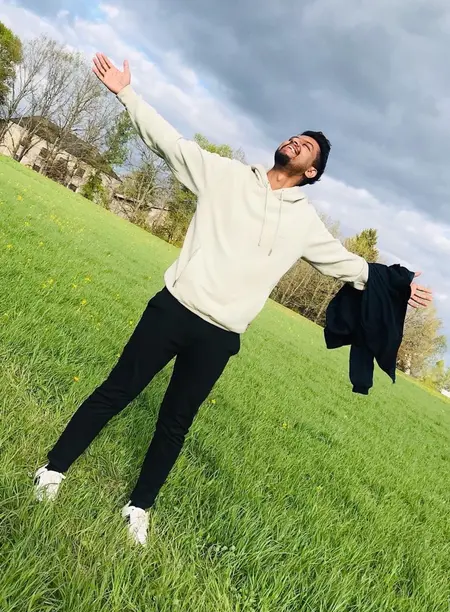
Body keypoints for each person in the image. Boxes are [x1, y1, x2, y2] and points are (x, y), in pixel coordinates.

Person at [33, 53, 433, 545]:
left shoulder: (305, 223)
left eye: (306, 146)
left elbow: (347, 265)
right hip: (174, 308)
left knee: (175, 423)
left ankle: (138, 508)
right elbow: (170, 143)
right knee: (117, 391)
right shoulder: (225, 175)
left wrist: (396, 284)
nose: (295, 142)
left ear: (311, 172)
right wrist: (126, 93)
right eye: (295, 137)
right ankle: (53, 471)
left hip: (220, 336)